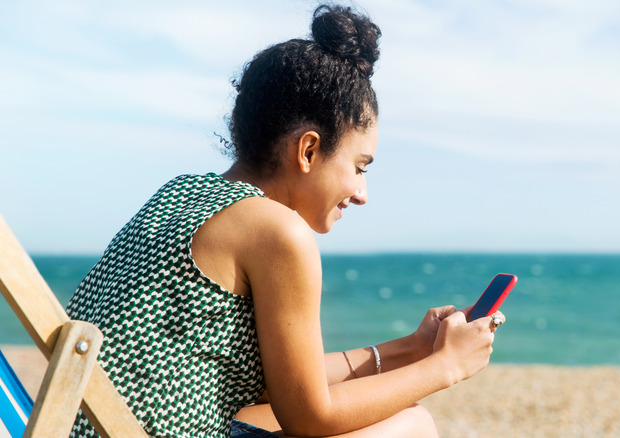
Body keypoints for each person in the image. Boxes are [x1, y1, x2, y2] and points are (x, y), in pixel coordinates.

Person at [66, 4, 504, 437]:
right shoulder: (278, 231)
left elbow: (290, 388)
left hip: (87, 426)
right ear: (308, 150)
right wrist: (445, 367)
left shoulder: (182, 193)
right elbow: (312, 416)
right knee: (412, 423)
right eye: (360, 166)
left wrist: (413, 348)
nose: (362, 193)